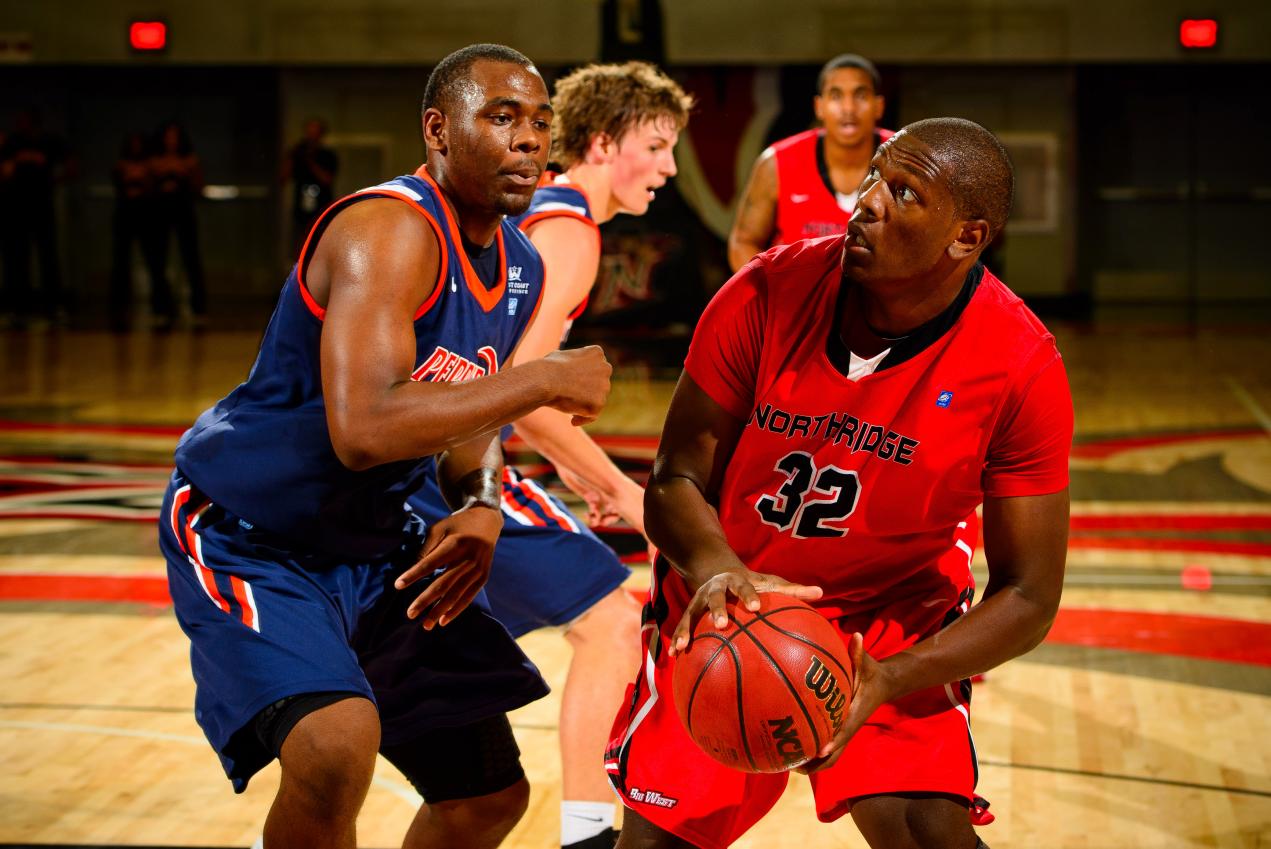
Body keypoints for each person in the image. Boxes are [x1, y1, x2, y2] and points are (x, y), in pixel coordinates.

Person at [157, 43, 613, 849]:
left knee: (485, 798)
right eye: (501, 117)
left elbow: (467, 409)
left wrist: (479, 503)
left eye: (540, 122)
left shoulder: (522, 265)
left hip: (370, 543)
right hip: (250, 532)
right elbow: (365, 428)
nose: (528, 140)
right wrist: (540, 380)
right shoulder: (386, 229)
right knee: (334, 748)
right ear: (438, 129)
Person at [607, 117, 1073, 849]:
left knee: (925, 833)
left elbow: (1028, 595)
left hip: (890, 617)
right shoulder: (764, 290)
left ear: (965, 236)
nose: (866, 202)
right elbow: (675, 477)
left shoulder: (1019, 364)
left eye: (902, 192)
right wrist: (717, 569)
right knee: (656, 843)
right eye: (873, 177)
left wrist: (890, 676)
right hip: (731, 597)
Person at [405, 60, 692, 849]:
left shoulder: (547, 215)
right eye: (657, 145)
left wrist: (573, 468)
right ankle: (589, 837)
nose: (669, 167)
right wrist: (621, 490)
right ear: (602, 143)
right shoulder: (566, 228)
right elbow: (519, 390)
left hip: (431, 461)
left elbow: (512, 383)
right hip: (440, 472)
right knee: (609, 620)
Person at [727, 53, 891, 271]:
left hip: (877, 299)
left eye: (860, 96)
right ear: (819, 106)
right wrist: (775, 294)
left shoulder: (907, 159)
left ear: (878, 106)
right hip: (797, 299)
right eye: (836, 96)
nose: (848, 108)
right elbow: (742, 242)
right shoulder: (776, 162)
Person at [0, 108, 68, 324]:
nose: (22, 125)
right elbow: (5, 170)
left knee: (48, 255)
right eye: (20, 121)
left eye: (25, 121)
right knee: (17, 257)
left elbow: (71, 164)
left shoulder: (50, 141)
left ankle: (53, 306)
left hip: (42, 206)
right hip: (17, 207)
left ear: (35, 123)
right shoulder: (12, 143)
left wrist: (55, 179)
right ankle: (17, 307)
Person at [149, 120, 206, 325]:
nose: (171, 140)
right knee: (158, 259)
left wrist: (182, 172)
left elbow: (199, 185)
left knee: (191, 257)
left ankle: (198, 307)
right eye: (168, 136)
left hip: (183, 209)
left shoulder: (190, 160)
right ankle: (161, 307)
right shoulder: (154, 160)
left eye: (175, 136)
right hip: (160, 212)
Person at [108, 131, 162, 331]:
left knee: (154, 261)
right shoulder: (121, 166)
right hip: (125, 216)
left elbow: (153, 188)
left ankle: (161, 307)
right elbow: (119, 187)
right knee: (121, 263)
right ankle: (119, 308)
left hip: (147, 216)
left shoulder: (152, 166)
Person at [284, 117, 340, 259]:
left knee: (320, 241)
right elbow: (283, 177)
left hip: (322, 206)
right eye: (309, 132)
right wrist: (292, 156)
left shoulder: (328, 155)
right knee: (299, 242)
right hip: (301, 207)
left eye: (315, 132)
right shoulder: (297, 153)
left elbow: (327, 179)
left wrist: (311, 161)